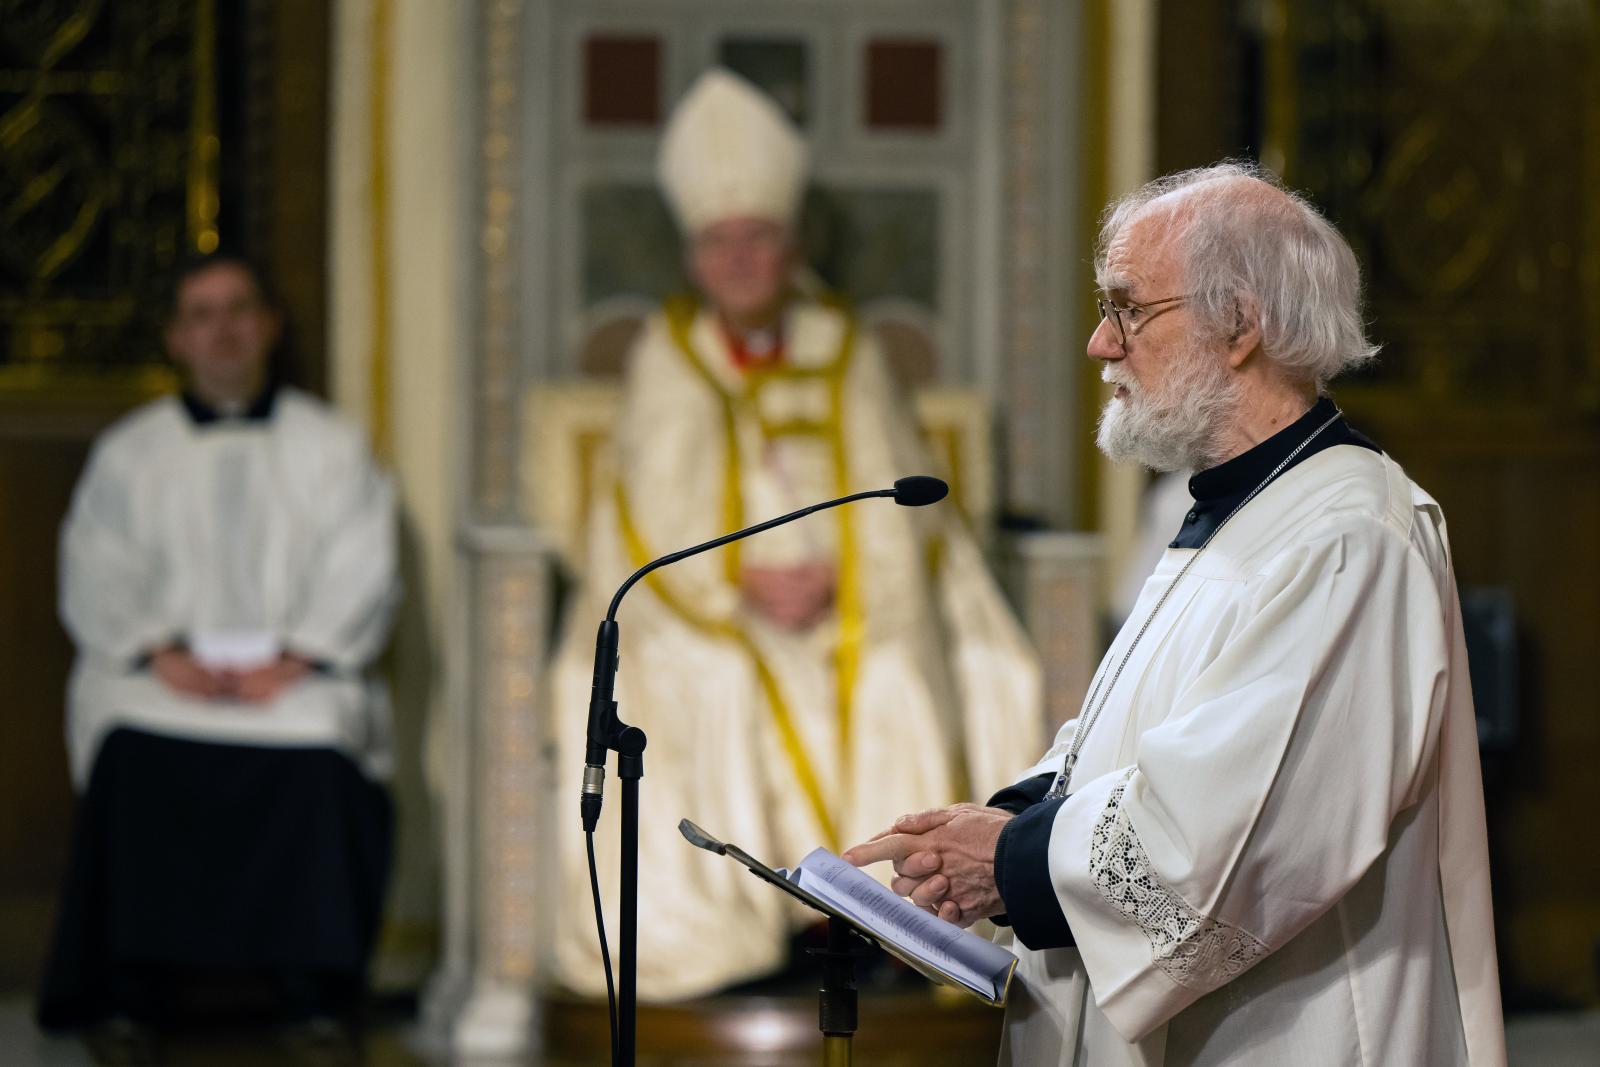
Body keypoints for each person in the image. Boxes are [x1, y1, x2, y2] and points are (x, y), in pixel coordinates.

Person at [845, 163, 1506, 1066]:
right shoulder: (1243, 509)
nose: (1099, 343)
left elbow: (1240, 824)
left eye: (1128, 308)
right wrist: (998, 824)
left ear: (1239, 325)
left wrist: (1011, 860)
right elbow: (1134, 739)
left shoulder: (1353, 535)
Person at [551, 69, 1043, 1000]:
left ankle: (901, 930)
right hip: (705, 606)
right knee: (716, 680)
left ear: (791, 244)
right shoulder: (668, 356)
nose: (739, 262)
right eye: (719, 244)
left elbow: (904, 512)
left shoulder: (846, 350)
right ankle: (745, 939)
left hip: (849, 598)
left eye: (758, 239)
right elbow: (639, 514)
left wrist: (843, 585)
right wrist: (734, 588)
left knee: (896, 667)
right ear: (694, 258)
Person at [38, 254, 399, 1055]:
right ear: (176, 338)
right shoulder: (130, 452)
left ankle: (311, 994)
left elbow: (362, 561)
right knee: (129, 742)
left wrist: (300, 655)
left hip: (294, 670)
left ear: (268, 325)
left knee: (318, 740)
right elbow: (95, 564)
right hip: (164, 673)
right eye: (202, 315)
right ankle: (133, 992)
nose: (223, 330)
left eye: (238, 309)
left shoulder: (332, 445)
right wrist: (157, 651)